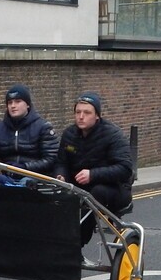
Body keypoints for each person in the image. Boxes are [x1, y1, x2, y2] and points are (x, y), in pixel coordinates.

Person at [53, 92, 133, 246]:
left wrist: (93, 174)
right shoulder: (69, 134)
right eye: (78, 112)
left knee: (94, 195)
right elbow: (61, 162)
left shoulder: (113, 135)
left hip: (114, 189)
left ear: (97, 115)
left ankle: (77, 243)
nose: (81, 116)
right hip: (80, 188)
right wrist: (60, 175)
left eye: (87, 112)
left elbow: (125, 169)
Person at [0, 84, 59, 185]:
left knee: (25, 183)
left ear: (28, 104)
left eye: (18, 101)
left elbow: (51, 159)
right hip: (5, 175)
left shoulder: (44, 127)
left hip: (33, 175)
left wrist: (25, 167)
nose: (13, 106)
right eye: (10, 102)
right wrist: (1, 170)